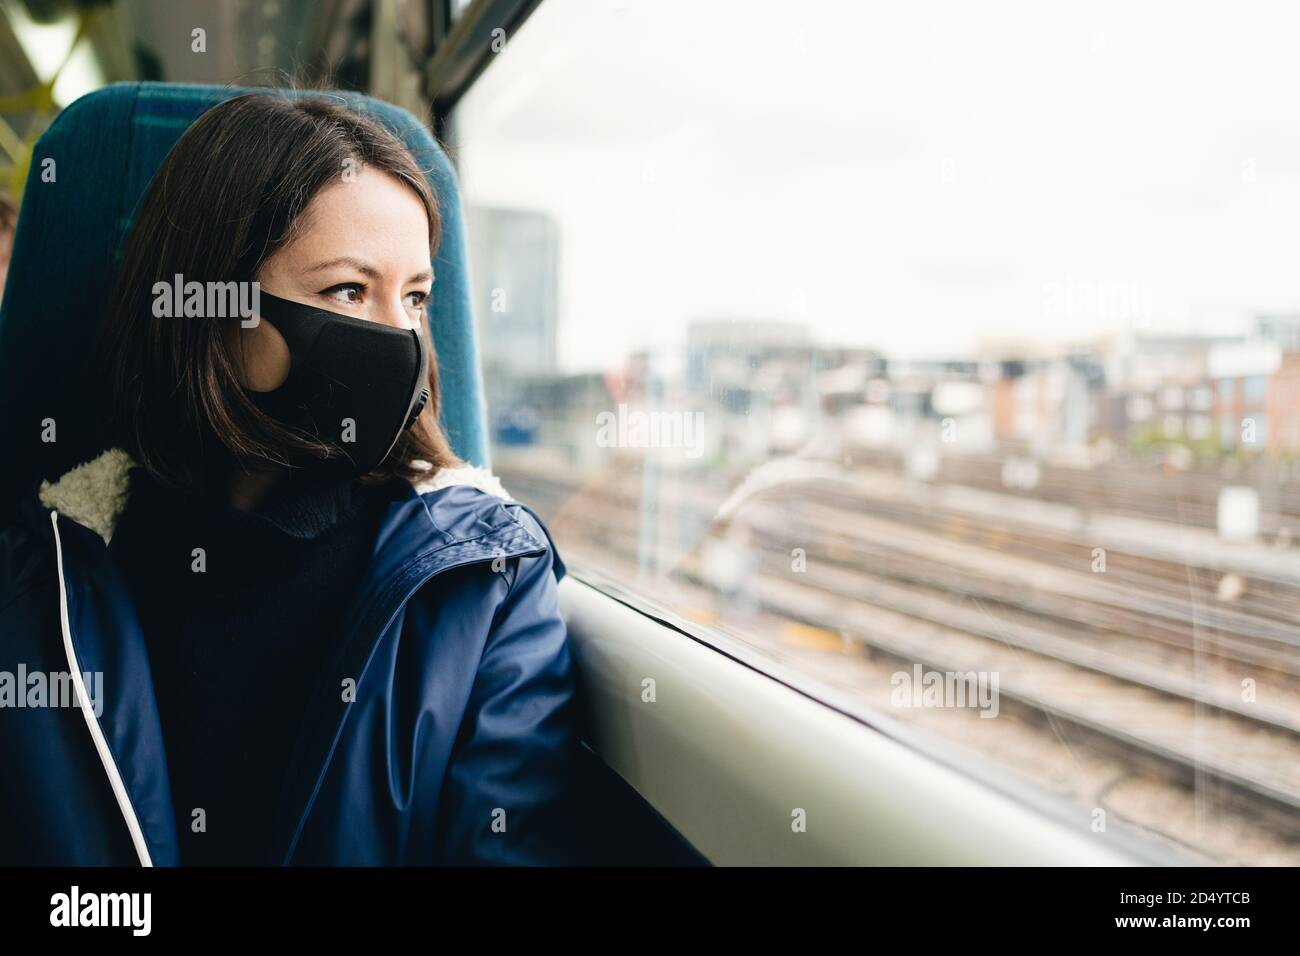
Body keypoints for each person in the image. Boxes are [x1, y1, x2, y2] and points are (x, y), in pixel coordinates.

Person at [0, 92, 588, 866]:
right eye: (347, 290)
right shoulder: (40, 587)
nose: (401, 341)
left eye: (415, 298)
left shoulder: (484, 581)